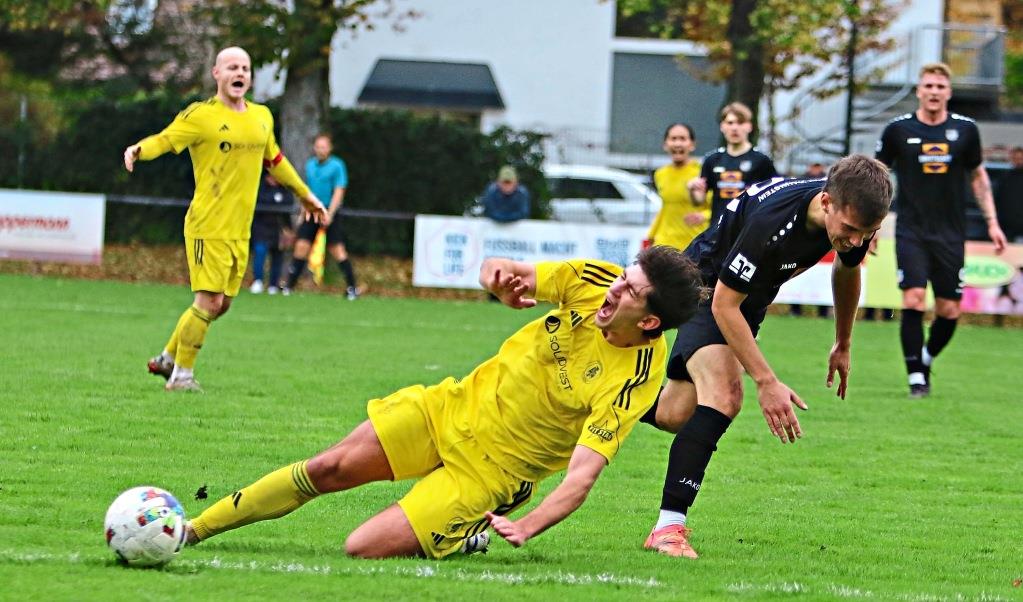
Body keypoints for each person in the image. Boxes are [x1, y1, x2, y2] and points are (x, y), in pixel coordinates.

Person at [181, 247, 705, 558]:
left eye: (629, 291)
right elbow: (501, 268)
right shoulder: (592, 281)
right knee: (328, 467)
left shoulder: (635, 379)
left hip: (493, 472)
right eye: (622, 276)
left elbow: (582, 476)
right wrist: (496, 281)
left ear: (650, 321)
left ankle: (467, 533)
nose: (614, 288)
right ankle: (191, 530)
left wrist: (527, 526)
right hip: (451, 409)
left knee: (359, 548)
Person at [640, 154, 893, 559]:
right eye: (850, 230)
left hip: (745, 302)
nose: (857, 241)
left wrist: (843, 341)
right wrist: (766, 381)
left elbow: (848, 269)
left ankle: (607, 398)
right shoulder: (773, 223)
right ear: (826, 202)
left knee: (674, 415)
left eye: (869, 233)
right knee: (725, 396)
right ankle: (668, 528)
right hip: (704, 289)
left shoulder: (849, 220)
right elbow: (724, 305)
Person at [125, 46, 326, 392]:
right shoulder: (201, 116)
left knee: (223, 305)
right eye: (232, 67)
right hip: (207, 224)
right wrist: (139, 150)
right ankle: (182, 377)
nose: (240, 73)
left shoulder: (262, 116)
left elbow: (275, 161)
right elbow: (166, 140)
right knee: (209, 301)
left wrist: (304, 194)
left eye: (246, 68)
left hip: (239, 229)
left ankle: (168, 358)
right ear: (216, 73)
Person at [875, 62, 1008, 398]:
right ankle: (916, 378)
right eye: (928, 86)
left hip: (950, 233)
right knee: (914, 298)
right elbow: (877, 178)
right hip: (911, 230)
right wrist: (871, 224)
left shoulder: (965, 130)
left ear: (948, 92)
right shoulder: (897, 130)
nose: (934, 92)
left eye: (940, 87)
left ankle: (926, 357)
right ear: (919, 90)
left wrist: (992, 222)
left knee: (949, 310)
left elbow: (978, 177)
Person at [282, 134, 360, 300]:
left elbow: (339, 191)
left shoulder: (337, 165)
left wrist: (330, 214)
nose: (320, 150)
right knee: (301, 247)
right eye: (318, 147)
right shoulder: (310, 165)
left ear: (330, 148)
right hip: (312, 210)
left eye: (323, 147)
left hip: (329, 210)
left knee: (337, 250)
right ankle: (289, 286)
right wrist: (304, 212)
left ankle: (352, 288)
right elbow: (307, 192)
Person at [689, 102, 778, 222]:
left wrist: (754, 195)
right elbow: (698, 201)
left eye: (740, 123)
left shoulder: (761, 160)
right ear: (722, 126)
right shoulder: (712, 159)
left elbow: (776, 196)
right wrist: (693, 189)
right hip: (718, 229)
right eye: (730, 123)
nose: (735, 128)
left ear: (749, 127)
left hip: (748, 228)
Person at [646, 123, 709, 251]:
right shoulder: (660, 174)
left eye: (682, 139)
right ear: (665, 144)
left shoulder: (702, 172)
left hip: (693, 244)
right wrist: (651, 235)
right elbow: (666, 207)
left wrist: (704, 216)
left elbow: (716, 208)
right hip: (664, 243)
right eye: (673, 139)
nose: (678, 144)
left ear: (692, 145)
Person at [789, 162, 830, 318]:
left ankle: (823, 311)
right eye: (813, 166)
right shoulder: (803, 182)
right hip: (803, 238)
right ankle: (795, 309)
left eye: (818, 166)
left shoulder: (830, 184)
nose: (815, 169)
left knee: (822, 279)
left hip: (818, 239)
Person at [249, 171, 294, 295]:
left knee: (278, 256)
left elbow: (288, 203)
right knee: (260, 252)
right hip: (261, 227)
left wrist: (288, 230)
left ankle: (273, 285)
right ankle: (258, 281)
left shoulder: (284, 189)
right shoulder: (261, 186)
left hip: (278, 229)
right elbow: (259, 200)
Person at [994, 146, 1023, 243]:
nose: (1018, 161)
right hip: (1007, 225)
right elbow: (998, 199)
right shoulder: (1005, 178)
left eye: (1020, 158)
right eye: (1015, 158)